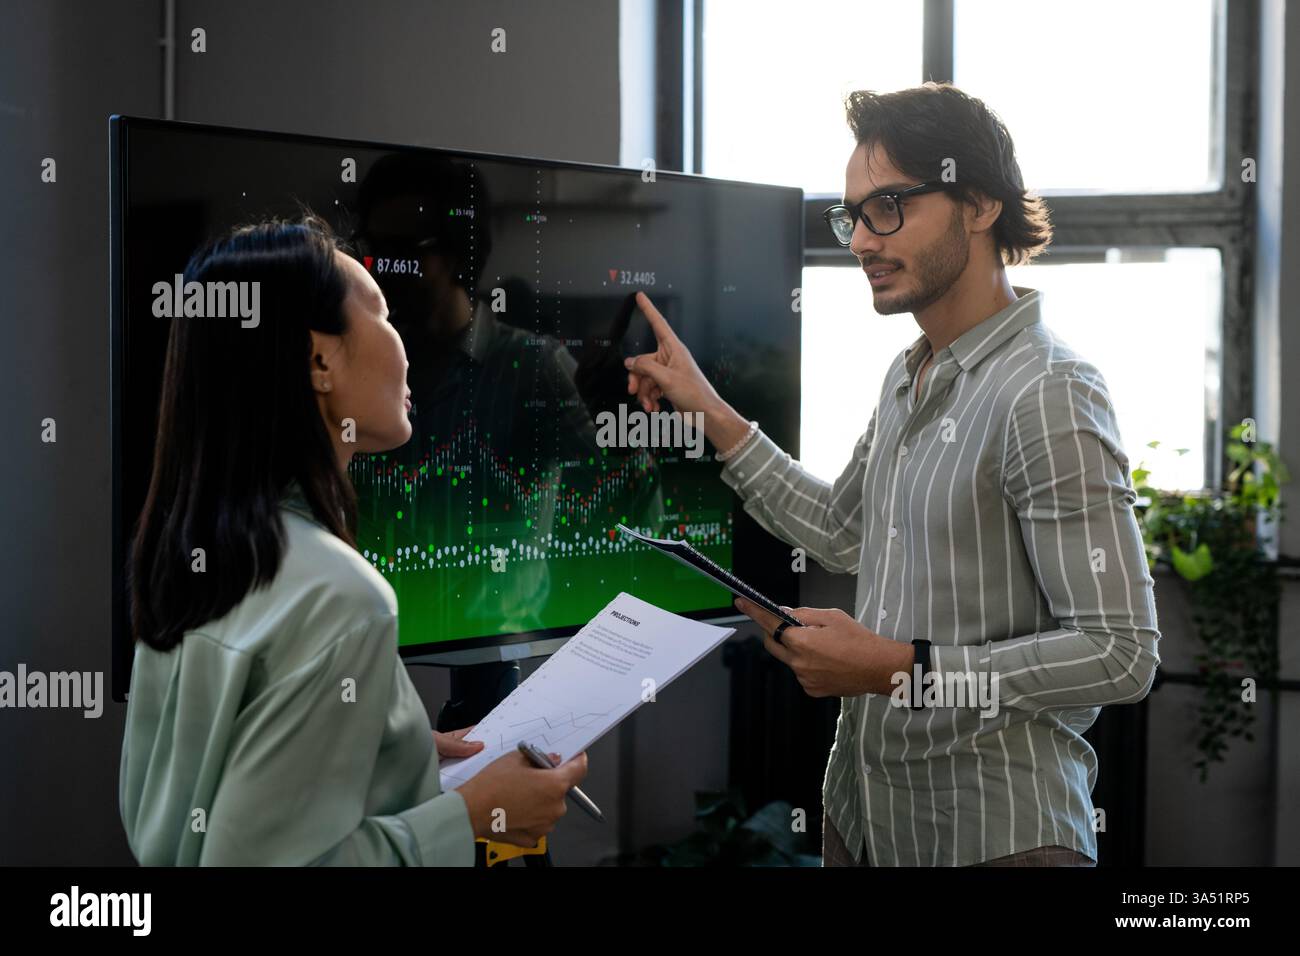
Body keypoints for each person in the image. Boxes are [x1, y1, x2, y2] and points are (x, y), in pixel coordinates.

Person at [623, 82, 1160, 867]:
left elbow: (1122, 653)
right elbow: (842, 532)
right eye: (852, 217)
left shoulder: (1048, 389)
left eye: (890, 207)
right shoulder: (909, 374)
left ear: (978, 204)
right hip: (864, 818)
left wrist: (904, 670)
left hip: (995, 838)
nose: (862, 241)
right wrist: (708, 408)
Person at [120, 213, 587, 865]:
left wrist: (389, 747)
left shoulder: (201, 552)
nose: (406, 343)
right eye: (384, 313)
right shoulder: (341, 596)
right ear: (318, 357)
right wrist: (474, 815)